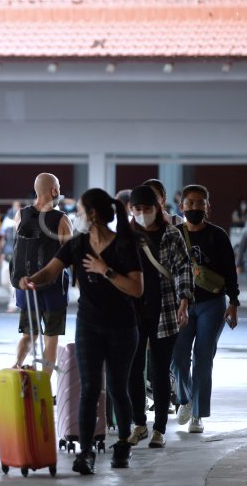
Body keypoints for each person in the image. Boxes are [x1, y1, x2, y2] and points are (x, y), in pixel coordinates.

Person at [20, 188, 144, 475]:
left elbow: (137, 289)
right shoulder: (77, 244)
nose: (75, 216)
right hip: (89, 324)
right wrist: (32, 280)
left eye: (79, 211)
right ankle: (85, 453)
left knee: (116, 388)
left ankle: (123, 444)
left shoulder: (125, 246)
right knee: (89, 389)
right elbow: (52, 270)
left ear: (93, 214)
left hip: (123, 327)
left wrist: (105, 270)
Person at [125, 186, 193, 449]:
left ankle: (160, 428)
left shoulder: (172, 234)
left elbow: (182, 269)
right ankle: (139, 424)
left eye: (147, 209)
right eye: (137, 209)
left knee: (160, 371)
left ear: (158, 208)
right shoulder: (127, 236)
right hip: (132, 313)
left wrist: (184, 301)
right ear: (131, 210)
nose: (142, 214)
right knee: (133, 370)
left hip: (165, 311)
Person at [172, 184, 240, 434]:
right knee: (178, 358)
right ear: (181, 206)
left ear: (207, 207)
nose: (195, 207)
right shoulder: (174, 234)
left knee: (203, 359)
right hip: (181, 305)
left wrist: (233, 302)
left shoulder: (217, 235)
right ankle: (185, 399)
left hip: (212, 304)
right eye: (190, 203)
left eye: (200, 203)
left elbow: (229, 272)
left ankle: (198, 415)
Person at [12, 173, 72, 377]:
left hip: (26, 285)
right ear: (54, 190)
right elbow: (69, 252)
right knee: (51, 337)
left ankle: (17, 367)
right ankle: (44, 381)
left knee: (29, 334)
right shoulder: (61, 219)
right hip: (54, 287)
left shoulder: (20, 215)